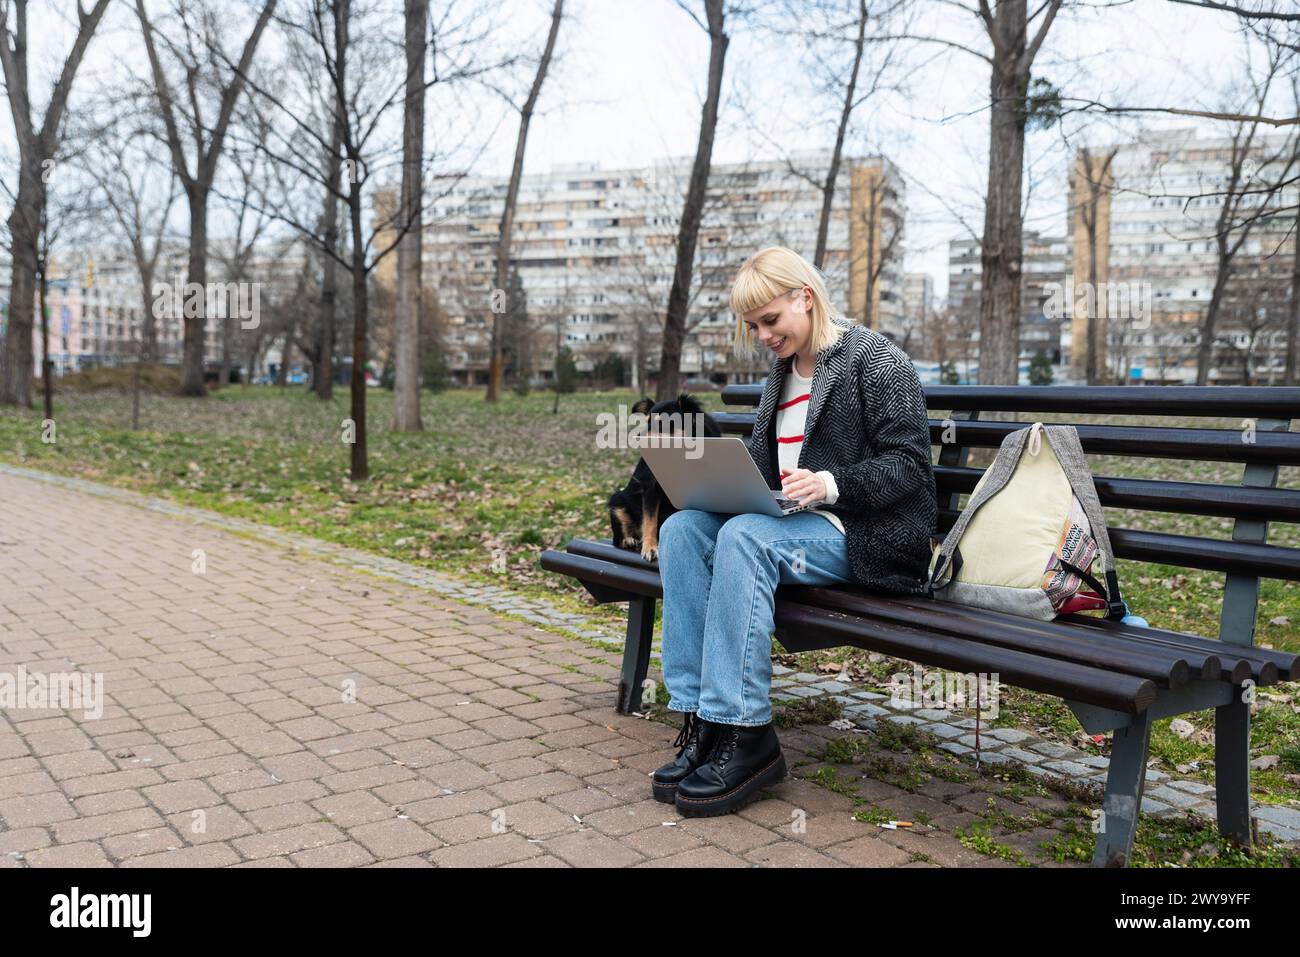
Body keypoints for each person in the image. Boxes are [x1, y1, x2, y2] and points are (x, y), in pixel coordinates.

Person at [651, 245, 937, 818]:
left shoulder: (876, 360)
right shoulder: (782, 374)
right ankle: (703, 720)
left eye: (770, 320)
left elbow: (909, 465)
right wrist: (719, 483)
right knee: (684, 529)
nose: (762, 335)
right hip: (790, 524)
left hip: (862, 532)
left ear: (804, 298)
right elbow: (764, 466)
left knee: (746, 539)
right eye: (752, 325)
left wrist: (831, 484)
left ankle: (747, 735)